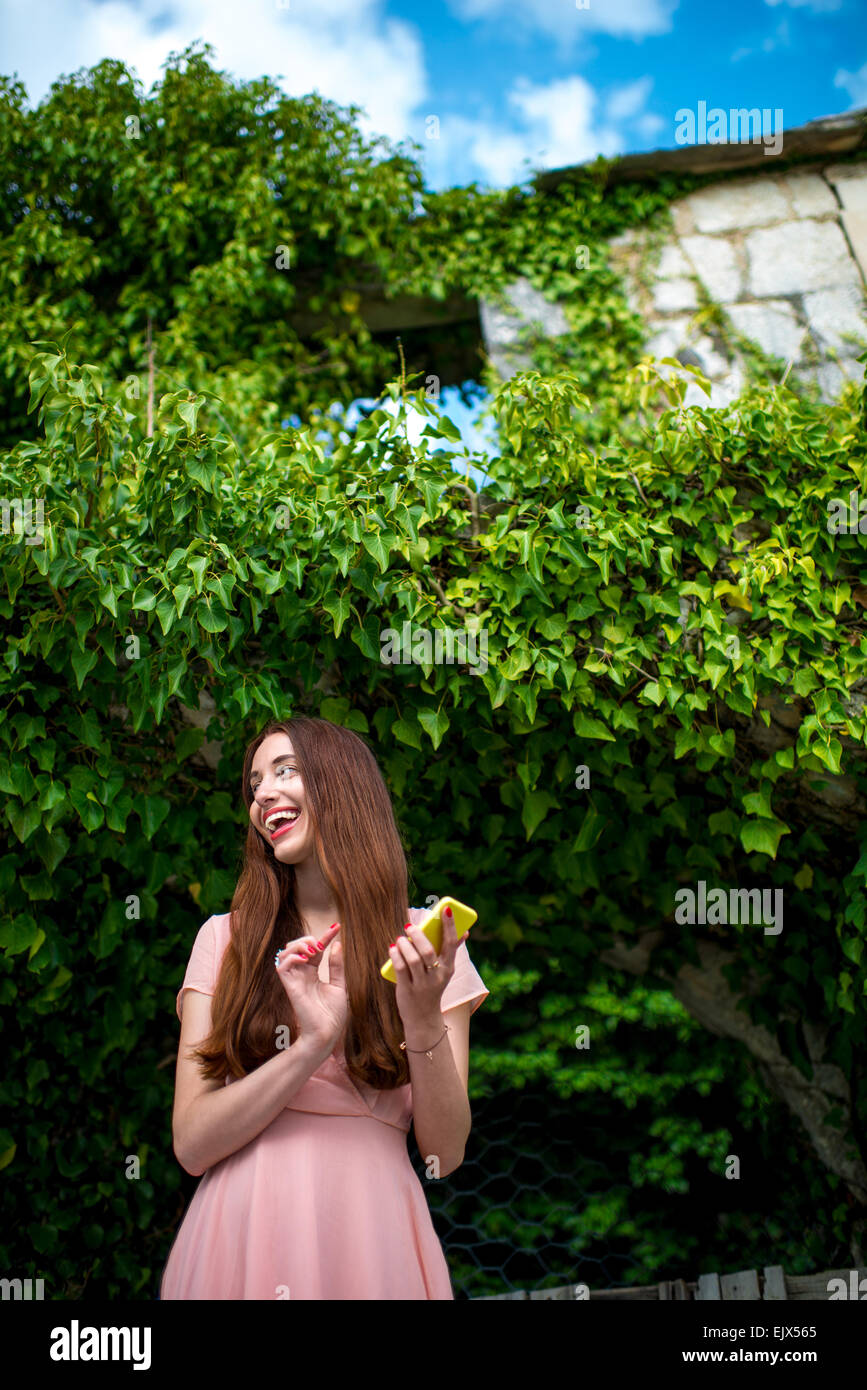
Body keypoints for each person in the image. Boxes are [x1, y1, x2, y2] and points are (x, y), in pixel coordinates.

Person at [159, 715, 489, 1300]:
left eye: (285, 771)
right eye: (254, 783)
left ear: (342, 786)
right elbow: (190, 1144)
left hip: (372, 1238)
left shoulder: (424, 945)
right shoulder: (224, 940)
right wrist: (311, 1044)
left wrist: (419, 1015)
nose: (263, 794)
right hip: (241, 1233)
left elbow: (445, 1152)